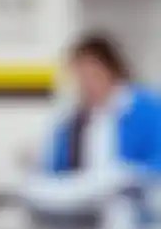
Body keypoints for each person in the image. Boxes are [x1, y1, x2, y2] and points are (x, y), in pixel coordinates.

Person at [44, 34, 161, 184]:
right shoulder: (71, 122)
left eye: (94, 75)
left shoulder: (148, 109)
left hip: (133, 194)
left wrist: (128, 174)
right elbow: (56, 172)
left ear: (112, 70)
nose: (87, 84)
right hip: (83, 195)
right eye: (81, 77)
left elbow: (156, 162)